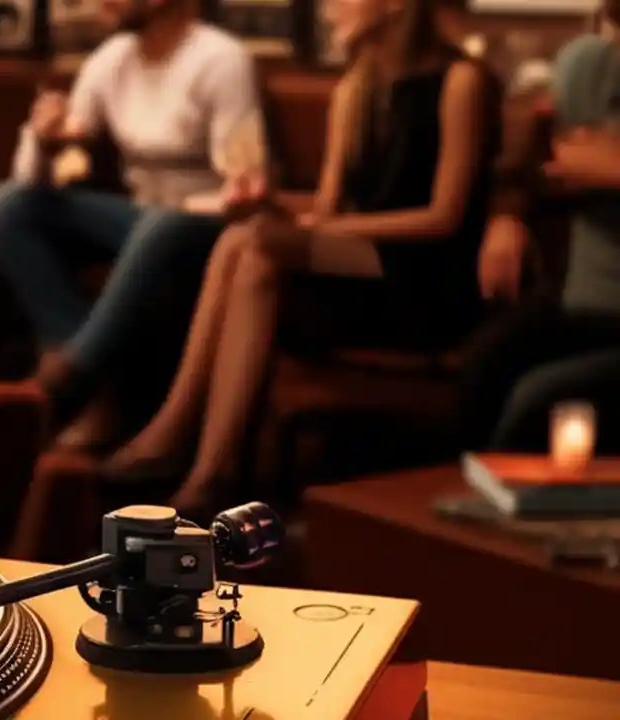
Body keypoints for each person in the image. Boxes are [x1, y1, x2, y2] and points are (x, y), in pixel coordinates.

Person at [103, 0, 501, 516]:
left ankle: (192, 452)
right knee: (243, 239)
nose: (329, 9)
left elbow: (443, 218)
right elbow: (328, 206)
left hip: (424, 278)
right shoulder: (356, 85)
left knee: (259, 246)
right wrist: (269, 203)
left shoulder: (461, 80)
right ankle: (201, 455)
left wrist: (319, 229)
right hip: (357, 261)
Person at [0, 0, 263, 450]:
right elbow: (46, 175)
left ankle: (63, 382)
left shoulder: (220, 59)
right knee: (8, 205)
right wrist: (43, 141)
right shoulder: (111, 59)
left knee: (163, 226)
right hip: (138, 219)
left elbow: (243, 176)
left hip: (204, 224)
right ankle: (92, 377)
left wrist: (237, 188)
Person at [460, 4, 620, 454]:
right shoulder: (589, 64)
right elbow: (530, 153)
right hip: (585, 304)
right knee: (487, 363)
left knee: (538, 400)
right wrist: (507, 216)